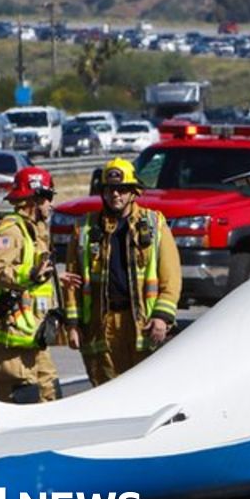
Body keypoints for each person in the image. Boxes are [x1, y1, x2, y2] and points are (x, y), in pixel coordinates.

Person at [64, 158, 182, 386]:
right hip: (100, 326)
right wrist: (72, 325)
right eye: (109, 189)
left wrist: (162, 316)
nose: (115, 194)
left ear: (133, 192)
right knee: (106, 390)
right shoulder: (85, 228)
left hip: (142, 324)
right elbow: (72, 282)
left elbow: (171, 276)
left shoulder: (155, 224)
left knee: (146, 389)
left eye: (122, 189)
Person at [0, 167, 79, 403]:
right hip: (8, 339)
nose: (51, 204)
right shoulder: (12, 230)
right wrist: (30, 272)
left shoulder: (34, 232)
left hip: (30, 337)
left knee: (50, 395)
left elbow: (33, 273)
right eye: (48, 197)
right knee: (22, 402)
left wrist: (54, 276)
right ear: (34, 198)